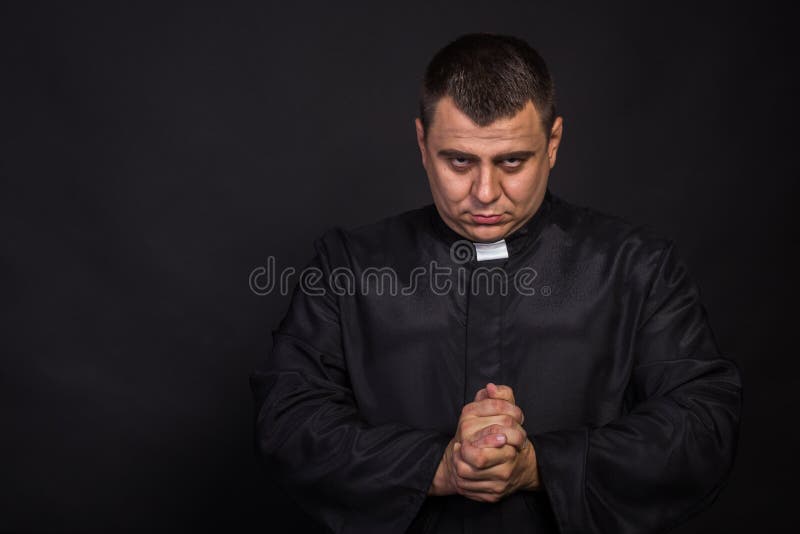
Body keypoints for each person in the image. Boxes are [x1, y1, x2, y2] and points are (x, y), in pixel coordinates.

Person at [250, 33, 742, 533]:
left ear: (552, 144)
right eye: (459, 161)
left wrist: (542, 466)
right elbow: (288, 419)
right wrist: (436, 466)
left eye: (512, 161)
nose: (485, 193)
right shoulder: (346, 267)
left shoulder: (638, 266)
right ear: (422, 144)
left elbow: (703, 425)